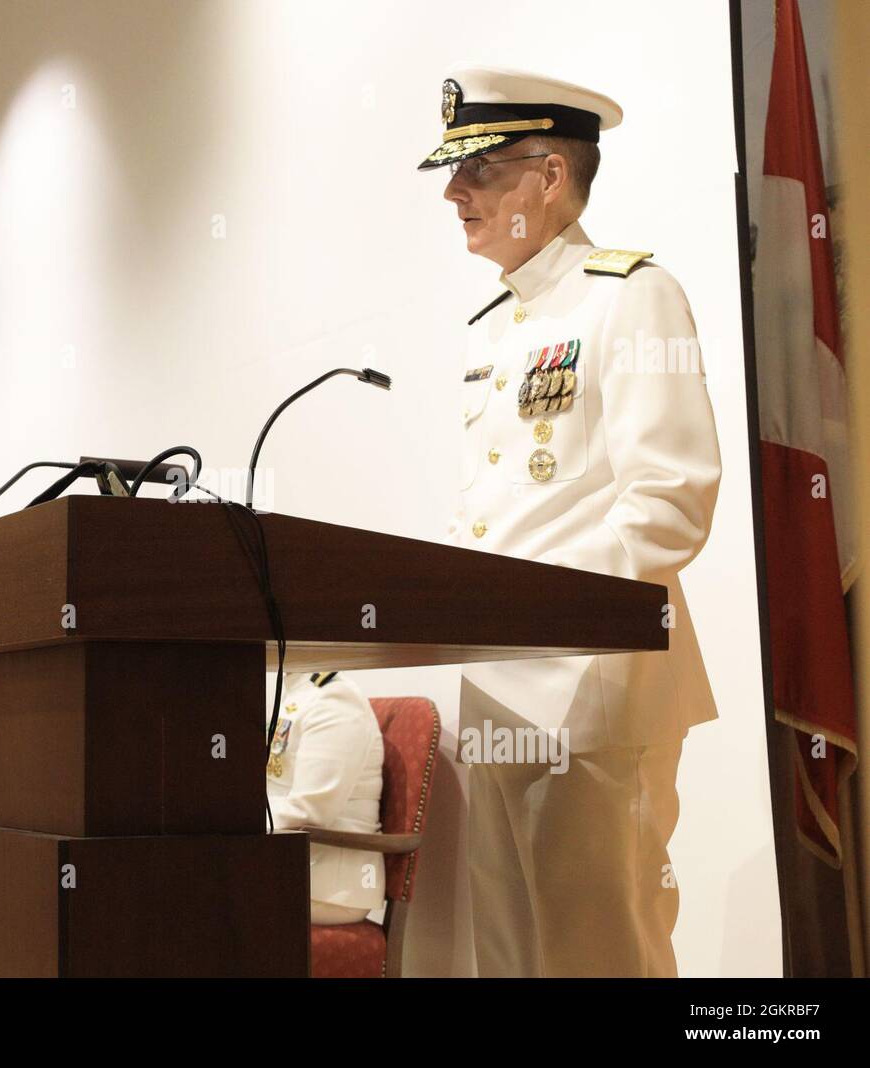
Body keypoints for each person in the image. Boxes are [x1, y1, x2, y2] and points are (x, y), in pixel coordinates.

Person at [419, 66, 722, 976]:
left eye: (478, 169)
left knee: (600, 956)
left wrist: (531, 611)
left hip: (592, 693)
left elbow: (670, 504)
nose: (453, 191)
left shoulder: (629, 296)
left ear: (549, 176)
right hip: (501, 692)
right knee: (511, 962)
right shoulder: (492, 328)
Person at [266, 671, 385, 925]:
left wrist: (231, 820)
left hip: (328, 886)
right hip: (289, 864)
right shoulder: (297, 691)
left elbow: (310, 810)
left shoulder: (335, 700)